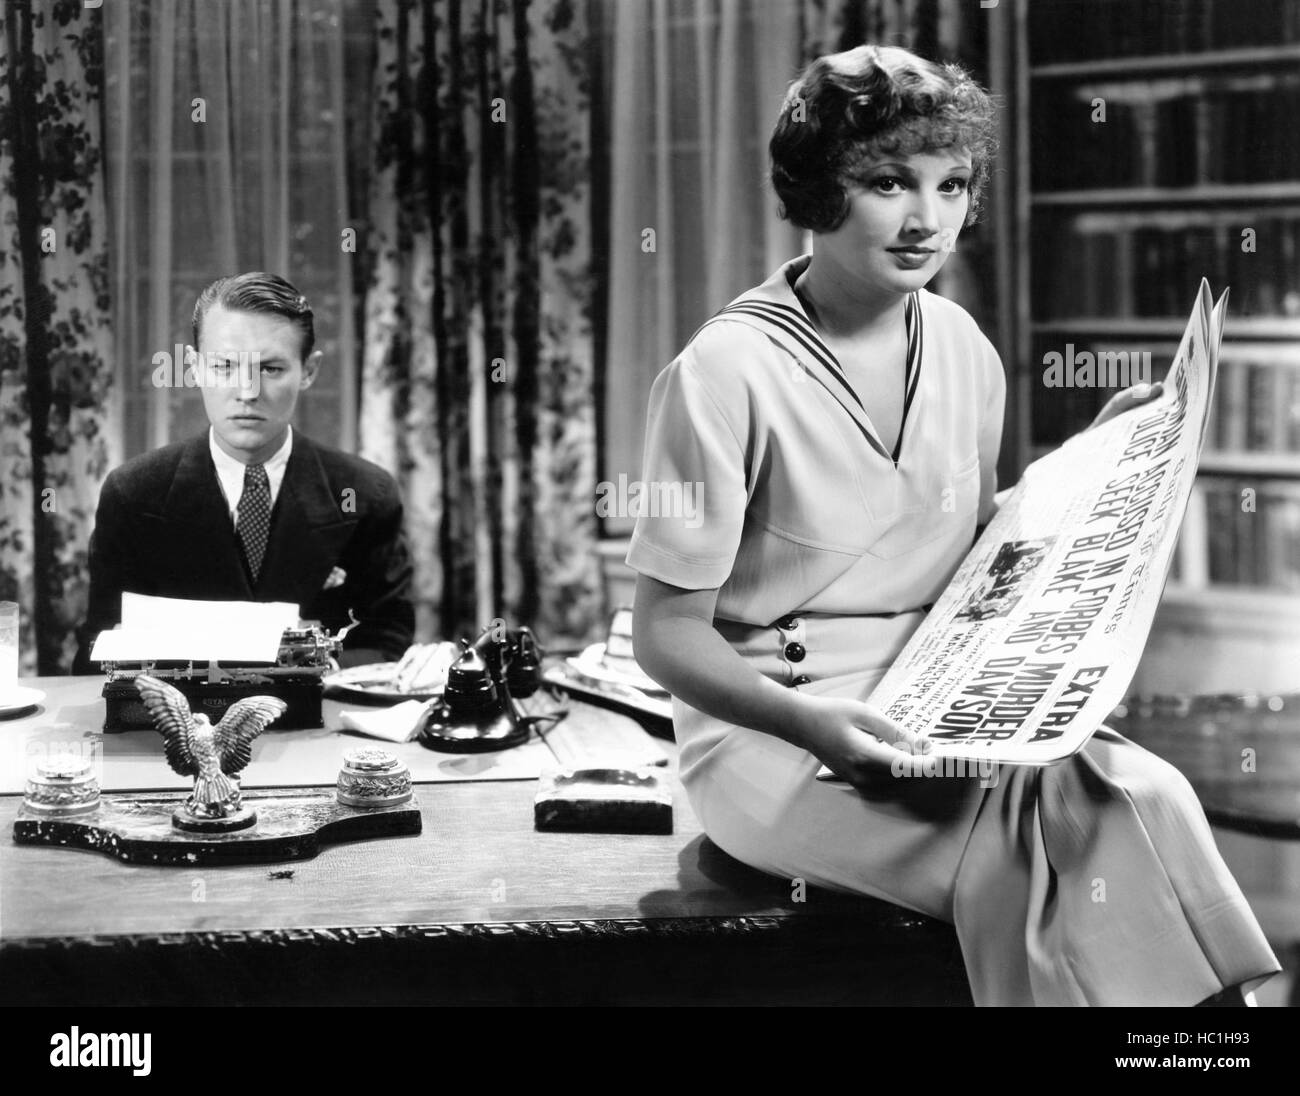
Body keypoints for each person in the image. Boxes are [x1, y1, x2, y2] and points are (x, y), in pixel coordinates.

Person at [627, 45, 1279, 1006]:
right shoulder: (719, 374)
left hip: (941, 696)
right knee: (1030, 854)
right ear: (819, 192)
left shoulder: (966, 347)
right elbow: (667, 633)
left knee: (1151, 797)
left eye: (953, 184)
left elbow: (977, 562)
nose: (927, 218)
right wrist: (812, 722)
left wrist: (1087, 467)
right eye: (888, 181)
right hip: (781, 731)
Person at [74, 272, 414, 672]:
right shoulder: (133, 495)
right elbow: (98, 651)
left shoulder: (365, 493)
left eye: (270, 369)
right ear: (194, 367)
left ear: (308, 371)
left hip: (314, 725)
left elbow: (386, 647)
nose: (248, 391)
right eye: (225, 366)